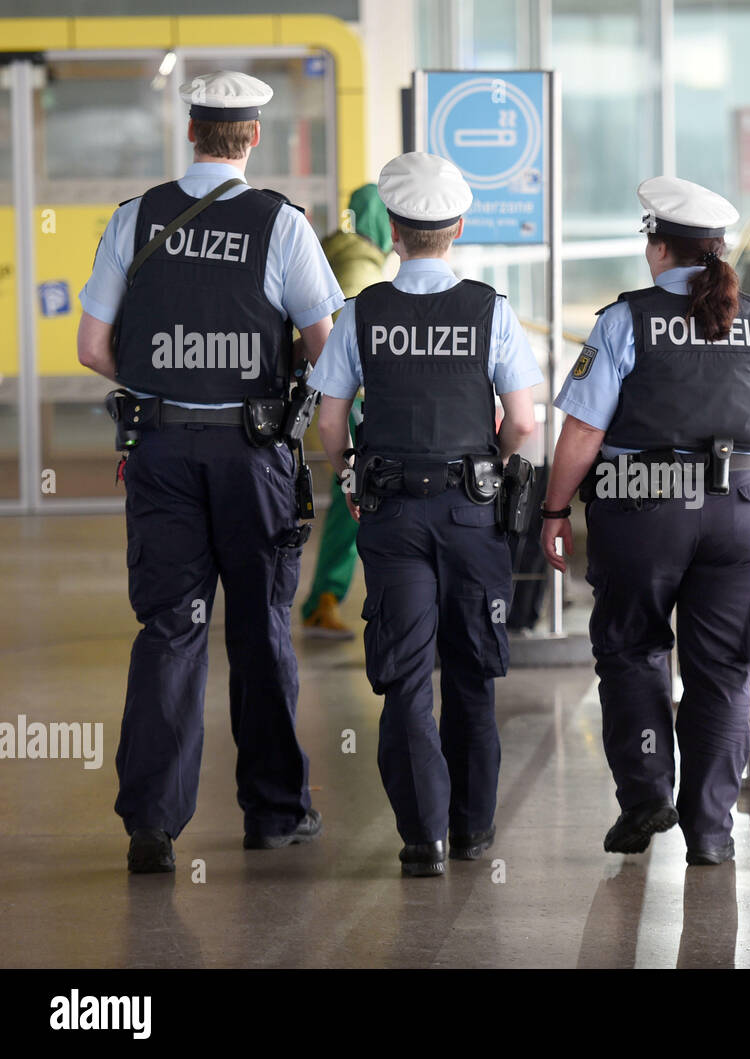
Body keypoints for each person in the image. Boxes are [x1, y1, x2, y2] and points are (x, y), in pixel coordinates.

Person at [76, 71, 344, 873]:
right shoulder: (282, 225)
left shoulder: (135, 218)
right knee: (261, 629)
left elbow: (92, 347)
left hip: (159, 451)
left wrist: (168, 377)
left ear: (191, 130)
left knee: (171, 627)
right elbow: (327, 351)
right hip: (252, 455)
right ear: (252, 137)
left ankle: (152, 825)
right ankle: (274, 811)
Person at [542, 176, 750, 865]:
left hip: (644, 507)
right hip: (745, 510)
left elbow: (580, 434)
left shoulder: (621, 320)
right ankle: (711, 833)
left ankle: (646, 796)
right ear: (716, 250)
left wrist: (552, 509)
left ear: (659, 247)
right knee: (723, 671)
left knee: (632, 650)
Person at [311, 152, 541, 877]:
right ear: (457, 228)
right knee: (473, 671)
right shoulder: (490, 309)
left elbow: (328, 421)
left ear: (397, 233)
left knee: (406, 676)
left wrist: (350, 472)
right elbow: (526, 422)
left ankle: (424, 838)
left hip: (391, 513)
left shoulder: (363, 312)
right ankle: (472, 830)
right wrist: (491, 461)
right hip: (472, 513)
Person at [302, 183, 395, 640]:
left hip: (334, 397)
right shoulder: (361, 264)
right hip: (357, 402)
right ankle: (326, 598)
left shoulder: (331, 250)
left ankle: (326, 597)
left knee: (349, 497)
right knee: (352, 498)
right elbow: (358, 335)